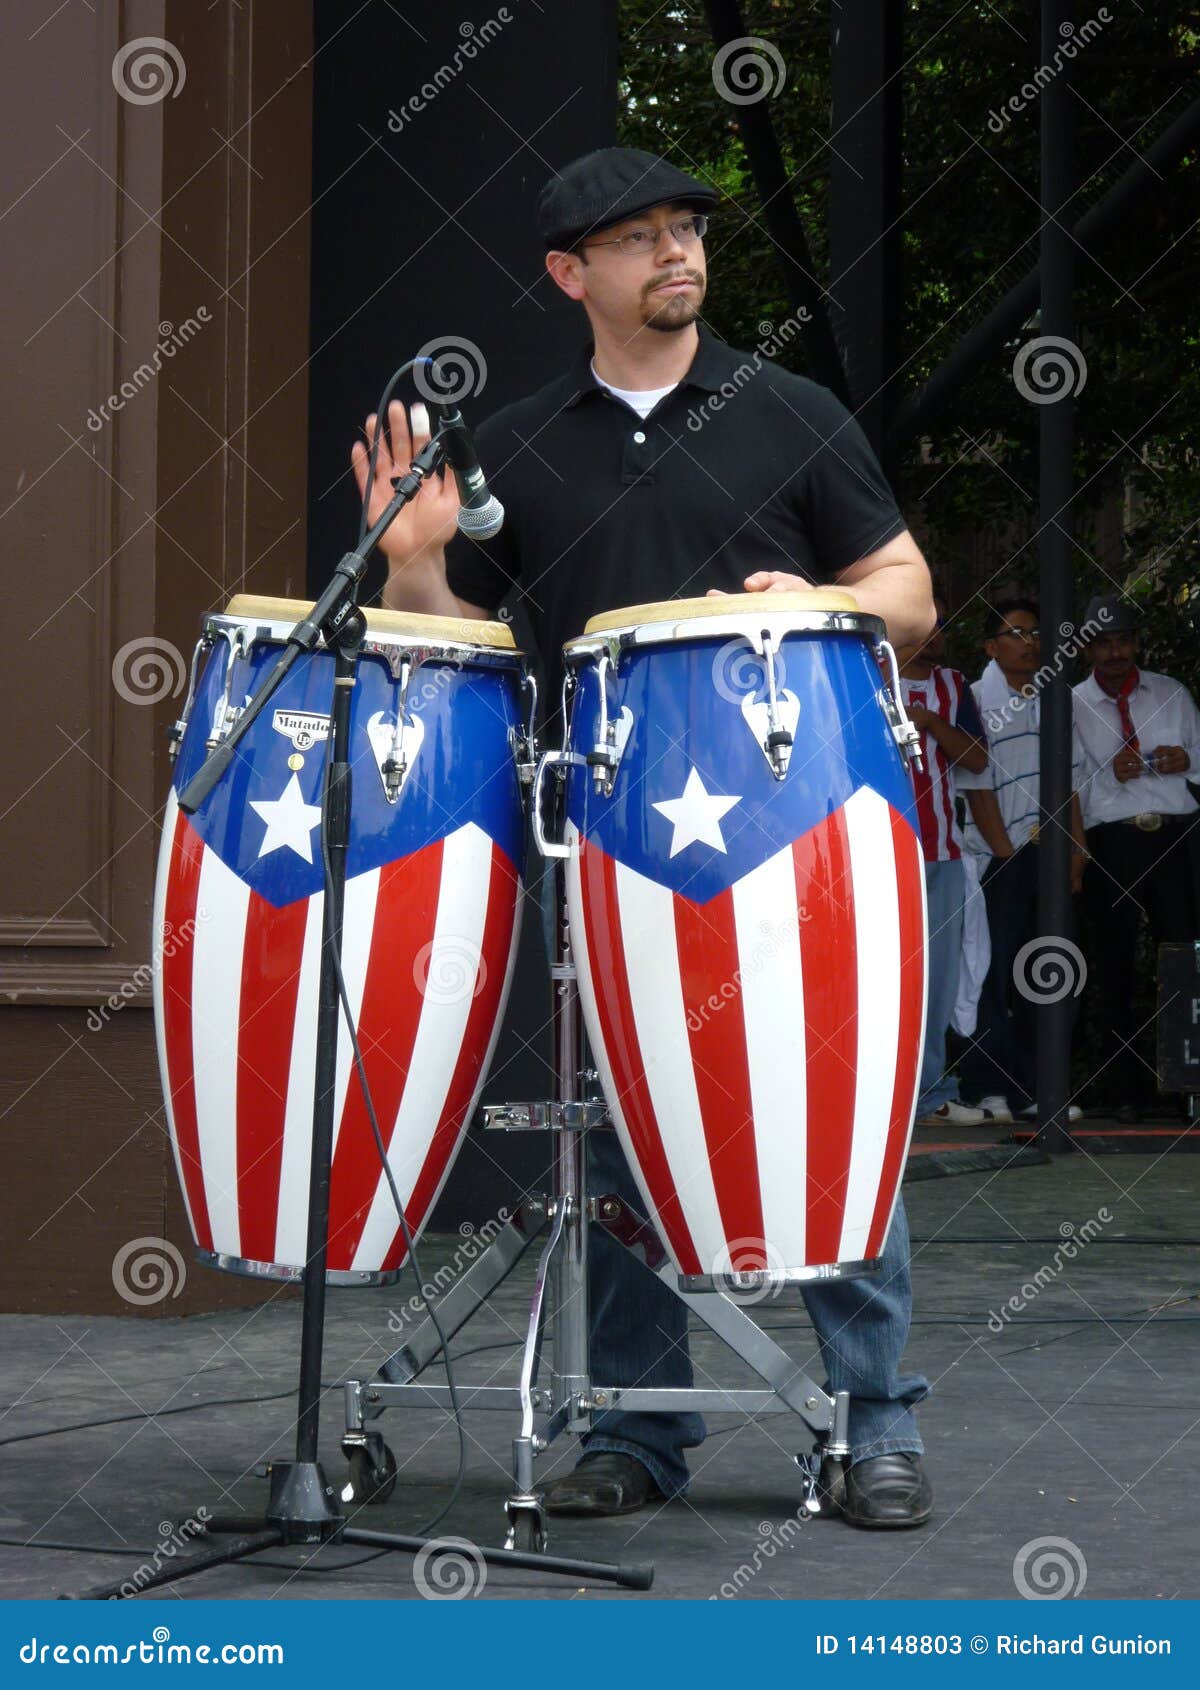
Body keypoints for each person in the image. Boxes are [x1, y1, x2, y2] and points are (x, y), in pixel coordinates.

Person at [351, 147, 936, 1529]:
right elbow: (464, 651)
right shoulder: (525, 444)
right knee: (605, 1137)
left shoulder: (786, 410)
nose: (679, 251)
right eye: (641, 237)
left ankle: (875, 1422)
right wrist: (415, 561)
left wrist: (837, 605)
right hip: (602, 835)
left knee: (832, 1112)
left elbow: (908, 588)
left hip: (803, 827)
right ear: (572, 274)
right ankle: (636, 1429)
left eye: (687, 230)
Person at [954, 599, 1087, 1125]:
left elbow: (1071, 782)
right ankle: (990, 1089)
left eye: (1034, 633)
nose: (1029, 643)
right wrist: (1005, 854)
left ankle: (1039, 1088)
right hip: (995, 856)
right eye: (1016, 633)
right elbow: (975, 784)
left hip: (1049, 857)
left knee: (1053, 971)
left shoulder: (1057, 699)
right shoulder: (975, 699)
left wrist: (1077, 853)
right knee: (988, 975)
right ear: (990, 646)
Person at [1073, 593, 1200, 1121]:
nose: (1115, 652)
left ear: (1137, 643)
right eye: (1104, 642)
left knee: (1183, 957)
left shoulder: (1171, 693)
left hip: (1174, 836)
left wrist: (1186, 758)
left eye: (1123, 640)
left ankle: (1186, 1084)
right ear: (1087, 650)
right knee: (1115, 961)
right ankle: (1125, 1090)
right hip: (1114, 841)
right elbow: (1062, 785)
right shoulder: (1070, 704)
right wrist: (1109, 773)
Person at [899, 595, 990, 1127]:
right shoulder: (870, 680)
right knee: (889, 975)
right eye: (926, 629)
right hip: (884, 856)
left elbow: (978, 759)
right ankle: (884, 1094)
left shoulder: (954, 687)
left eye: (940, 630)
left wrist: (930, 721)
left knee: (937, 980)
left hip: (943, 853)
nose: (936, 639)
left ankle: (929, 1094)